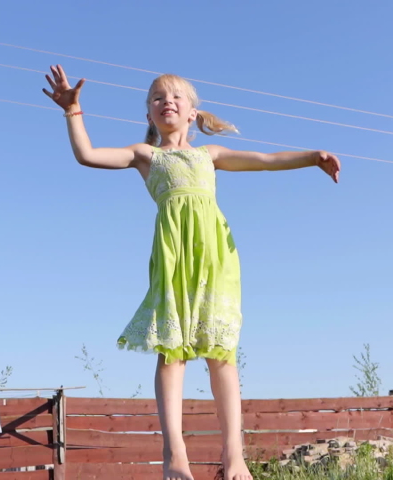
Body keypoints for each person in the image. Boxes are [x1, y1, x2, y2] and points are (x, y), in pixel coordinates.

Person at [43, 64, 340, 480]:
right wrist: (73, 112)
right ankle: (174, 456)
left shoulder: (209, 156)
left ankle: (234, 457)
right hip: (173, 259)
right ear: (149, 114)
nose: (167, 102)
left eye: (176, 97)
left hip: (217, 259)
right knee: (172, 352)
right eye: (158, 98)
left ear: (192, 113)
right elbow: (87, 156)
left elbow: (266, 160)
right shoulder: (146, 155)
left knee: (222, 354)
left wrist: (312, 157)